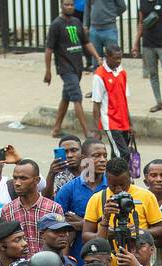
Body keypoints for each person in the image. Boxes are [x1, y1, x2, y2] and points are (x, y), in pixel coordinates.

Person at [44, 0, 99, 141]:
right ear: (61, 6)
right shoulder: (56, 25)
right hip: (65, 68)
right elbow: (49, 49)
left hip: (77, 67)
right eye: (66, 4)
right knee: (77, 97)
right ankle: (87, 132)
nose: (69, 7)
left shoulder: (76, 22)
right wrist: (48, 71)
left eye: (71, 4)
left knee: (66, 97)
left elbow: (86, 42)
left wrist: (97, 57)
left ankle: (56, 128)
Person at [133, 0, 162, 113]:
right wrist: (136, 43)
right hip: (148, 43)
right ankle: (158, 102)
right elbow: (141, 23)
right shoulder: (142, 3)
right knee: (153, 74)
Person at [91, 45, 133, 160]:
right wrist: (96, 129)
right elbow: (96, 104)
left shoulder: (122, 72)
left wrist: (130, 124)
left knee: (117, 155)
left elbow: (125, 100)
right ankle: (124, 178)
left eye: (120, 58)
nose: (119, 61)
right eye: (116, 58)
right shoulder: (99, 76)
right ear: (107, 57)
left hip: (123, 121)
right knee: (123, 155)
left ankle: (111, 177)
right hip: (110, 122)